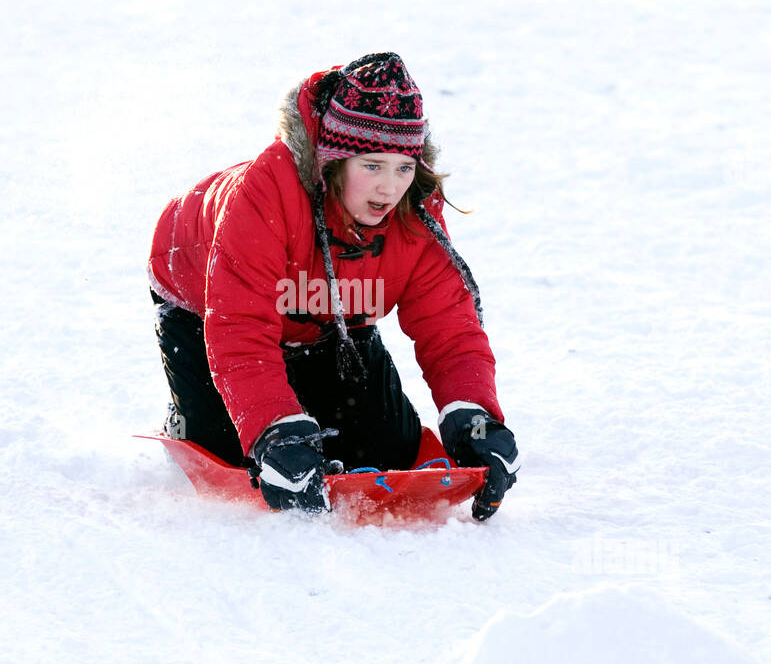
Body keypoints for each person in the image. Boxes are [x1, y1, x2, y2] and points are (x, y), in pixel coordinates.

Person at [148, 52, 520, 520]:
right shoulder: (263, 195)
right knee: (243, 451)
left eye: (404, 168)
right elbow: (240, 329)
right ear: (333, 161)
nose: (389, 188)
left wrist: (474, 418)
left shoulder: (415, 212)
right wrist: (275, 429)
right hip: (203, 301)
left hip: (332, 313)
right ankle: (191, 417)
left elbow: (450, 327)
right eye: (372, 166)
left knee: (387, 451)